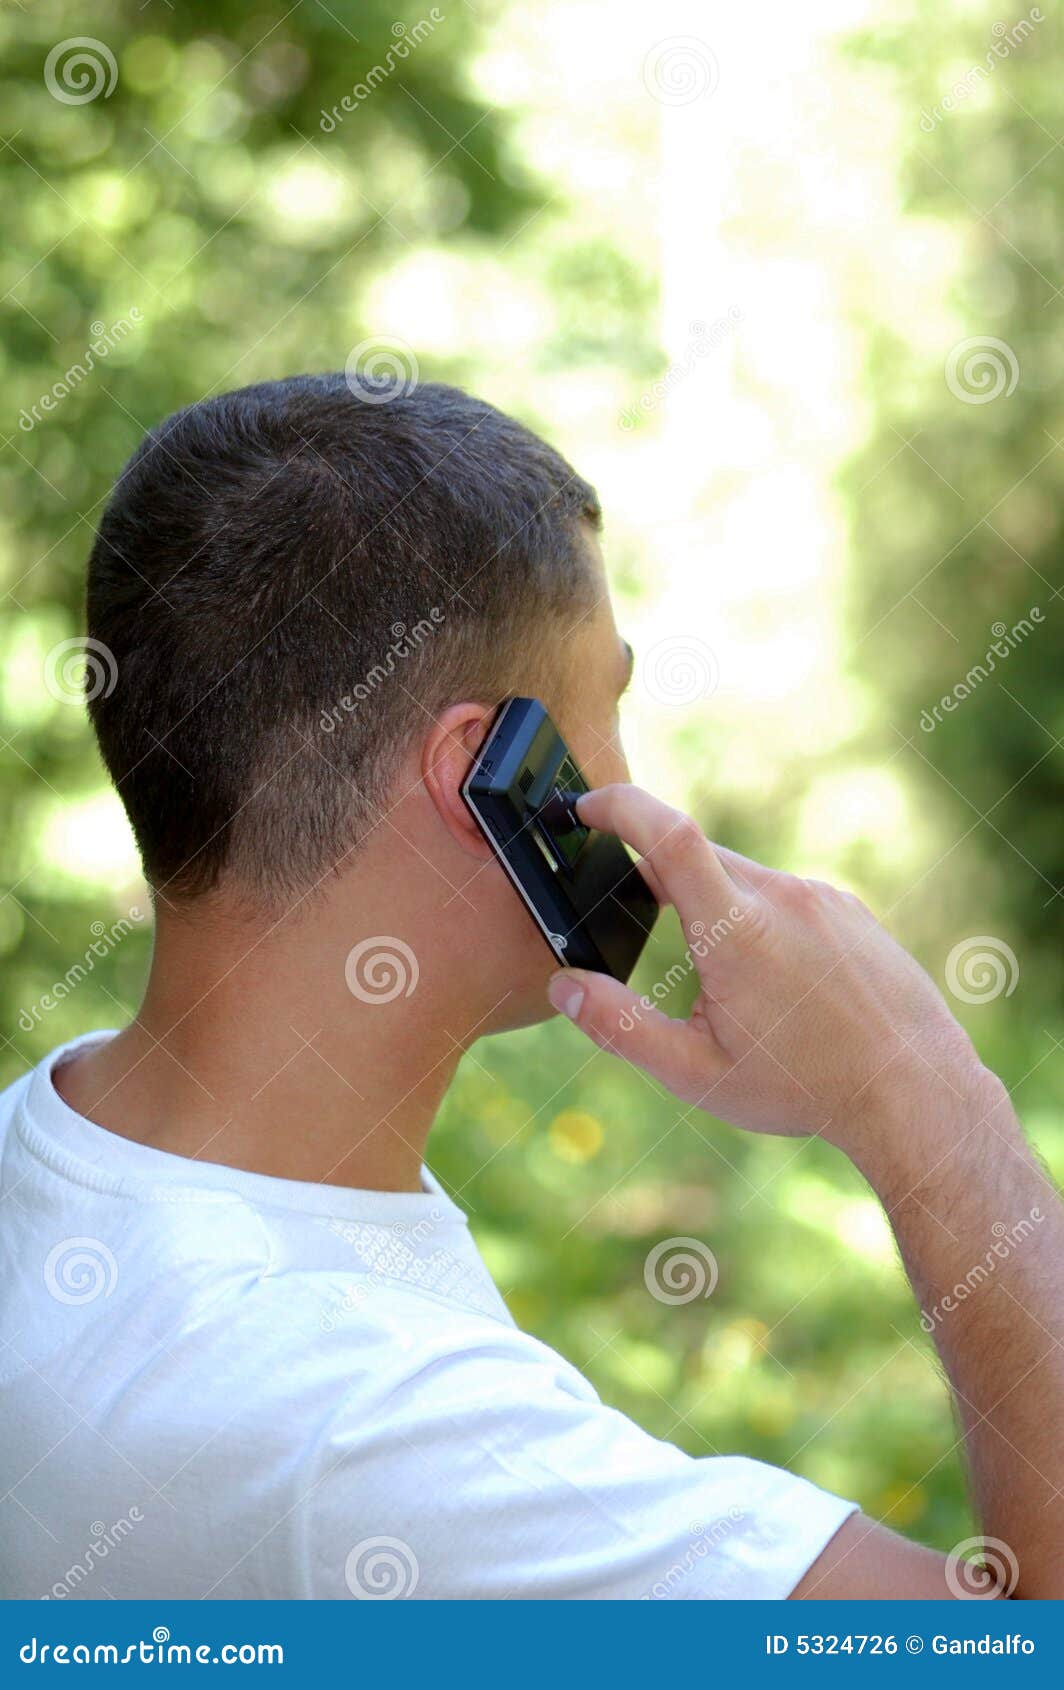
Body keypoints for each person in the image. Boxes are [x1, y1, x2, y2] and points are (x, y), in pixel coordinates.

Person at [1, 375, 1060, 1601]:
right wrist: (926, 1099)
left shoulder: (50, 1153)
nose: (640, 782)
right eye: (605, 707)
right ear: (481, 777)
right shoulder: (368, 1431)